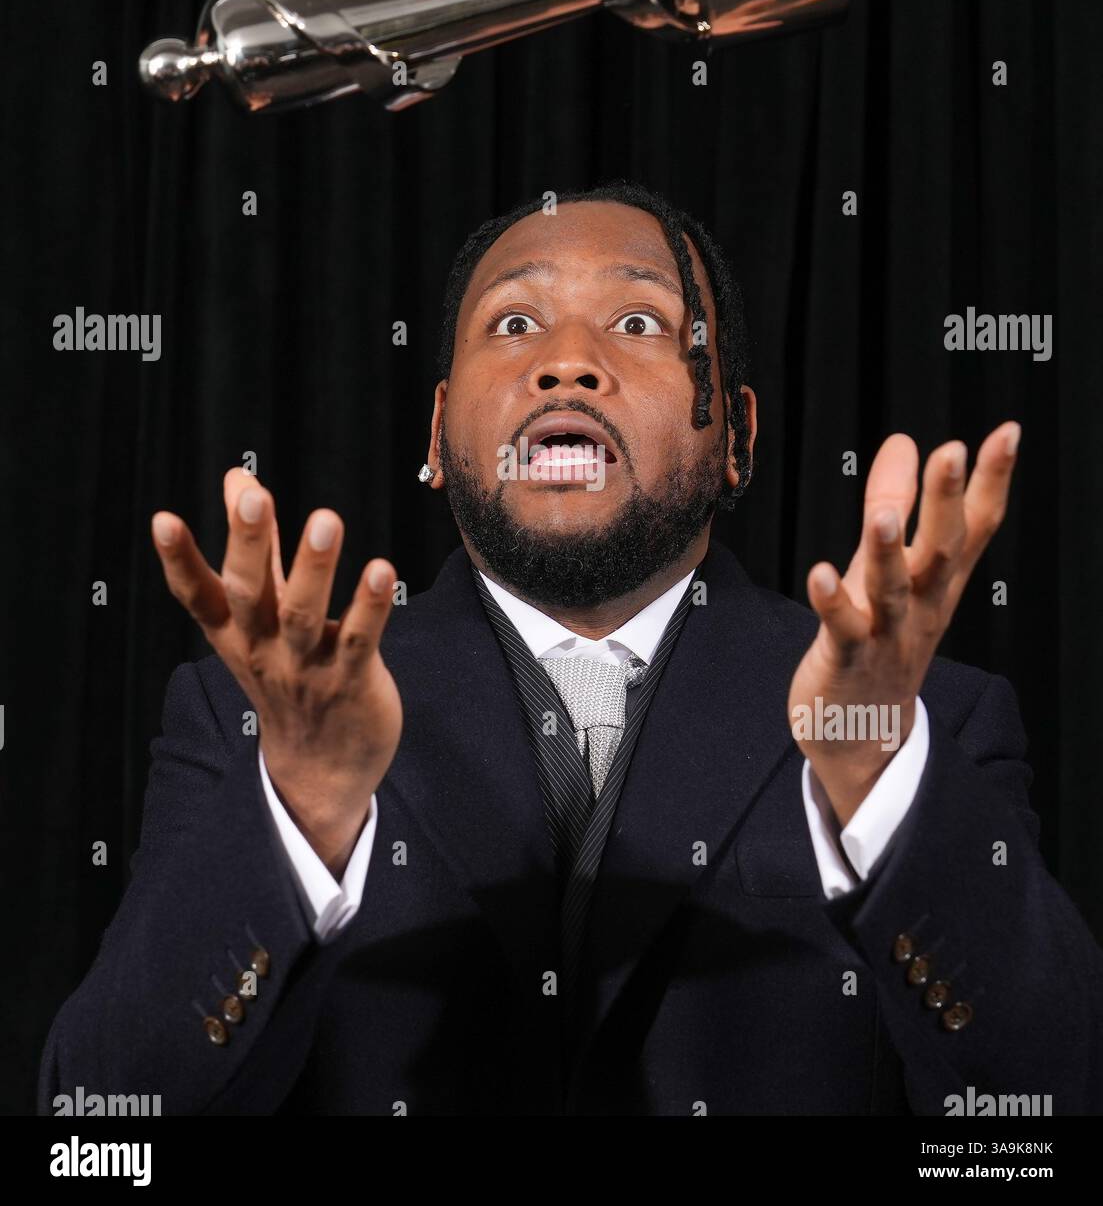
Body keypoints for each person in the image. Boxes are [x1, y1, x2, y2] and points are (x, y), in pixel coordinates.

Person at [38, 181, 1103, 1115]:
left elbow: (1040, 1105)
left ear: (733, 434)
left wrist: (873, 783)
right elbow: (100, 1122)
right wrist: (302, 810)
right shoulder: (245, 721)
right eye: (512, 324)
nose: (565, 366)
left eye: (638, 320)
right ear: (437, 435)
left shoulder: (934, 724)